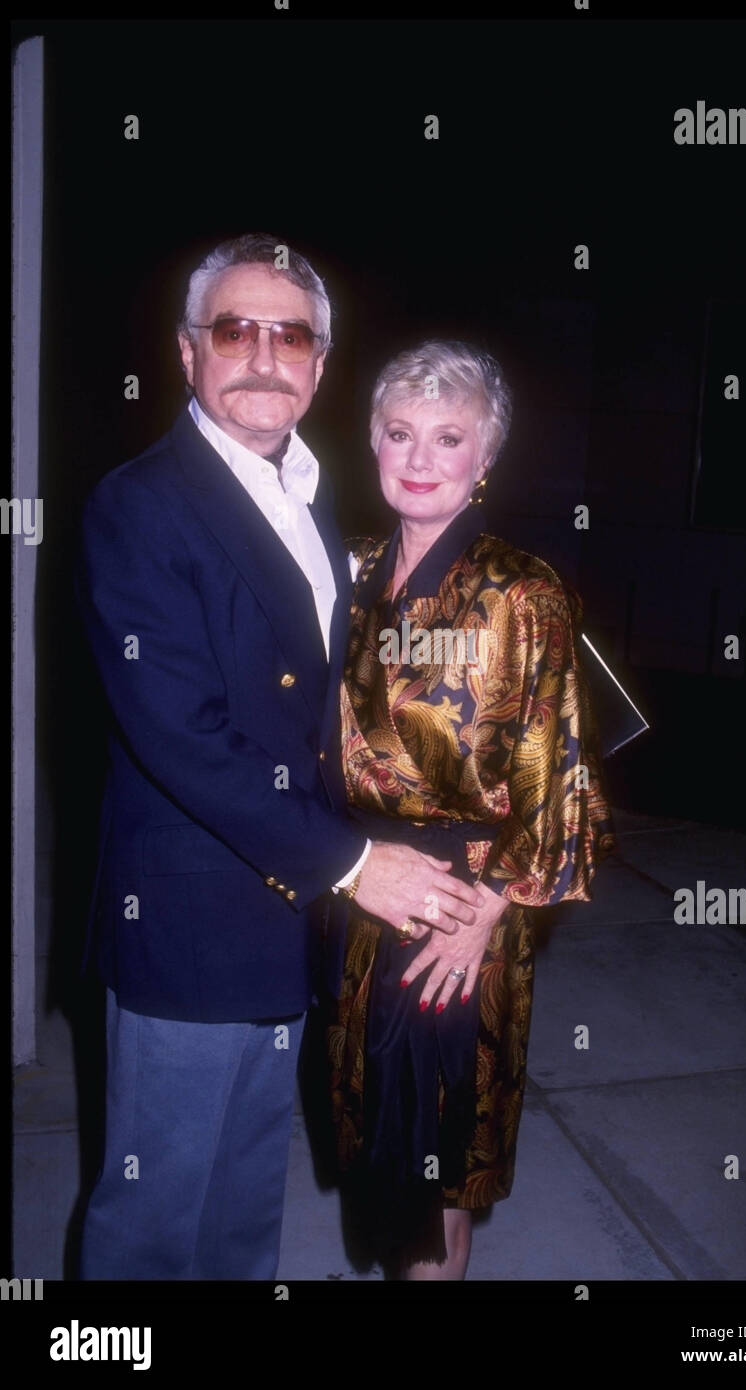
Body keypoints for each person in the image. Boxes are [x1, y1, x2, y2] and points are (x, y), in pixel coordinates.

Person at [74, 237, 482, 1280]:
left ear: (319, 362)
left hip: (293, 925)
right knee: (155, 1216)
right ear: (186, 353)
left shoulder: (310, 497)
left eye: (288, 333)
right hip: (188, 920)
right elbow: (178, 730)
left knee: (244, 1205)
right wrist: (353, 863)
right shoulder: (139, 501)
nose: (263, 354)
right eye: (234, 329)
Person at [329, 340, 616, 1279]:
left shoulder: (523, 591)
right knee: (385, 1165)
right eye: (400, 433)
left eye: (447, 438)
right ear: (372, 441)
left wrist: (492, 909)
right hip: (363, 897)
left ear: (484, 456)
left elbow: (557, 760)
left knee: (436, 1176)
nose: (418, 458)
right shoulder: (354, 569)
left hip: (462, 908)